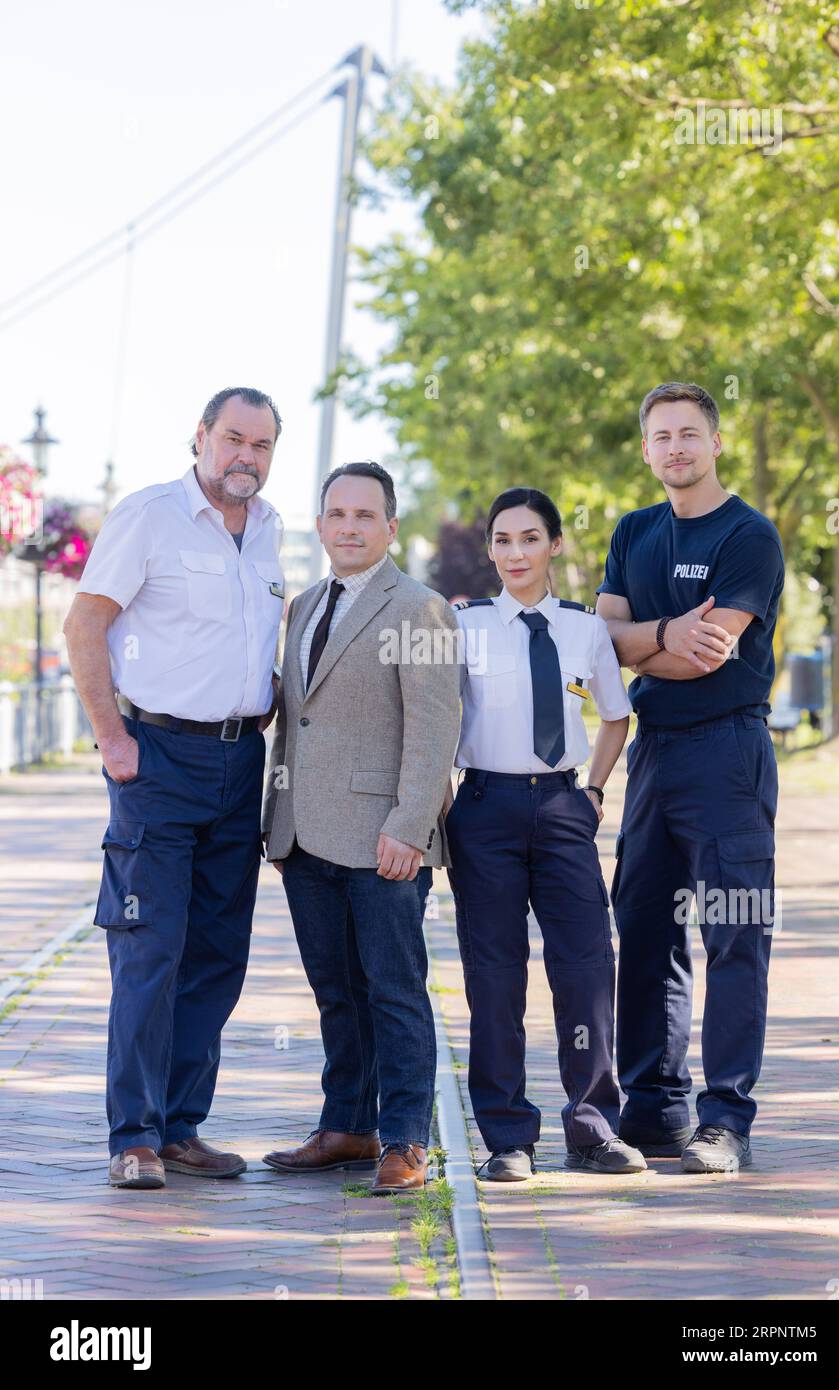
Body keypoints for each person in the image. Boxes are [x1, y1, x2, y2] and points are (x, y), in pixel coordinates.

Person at [63, 386, 285, 1190]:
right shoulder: (149, 514)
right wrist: (112, 738)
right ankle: (134, 1137)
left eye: (261, 446)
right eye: (233, 439)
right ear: (200, 438)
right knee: (149, 954)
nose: (245, 458)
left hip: (239, 765)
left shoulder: (269, 531)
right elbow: (84, 623)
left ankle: (183, 1126)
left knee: (218, 957)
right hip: (156, 757)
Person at [596, 381, 785, 1173]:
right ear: (645, 450)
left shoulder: (750, 535)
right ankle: (653, 1109)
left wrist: (643, 641)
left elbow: (708, 649)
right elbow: (596, 644)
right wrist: (660, 634)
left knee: (732, 933)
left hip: (726, 752)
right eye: (660, 436)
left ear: (713, 442)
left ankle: (725, 1121)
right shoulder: (633, 531)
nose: (674, 447)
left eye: (687, 434)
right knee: (642, 929)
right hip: (653, 753)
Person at [261, 461, 460, 1195]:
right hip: (302, 835)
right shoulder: (305, 604)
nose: (348, 527)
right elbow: (298, 718)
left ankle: (406, 1138)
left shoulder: (422, 608)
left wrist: (409, 825)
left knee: (395, 989)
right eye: (336, 515)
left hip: (384, 836)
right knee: (335, 991)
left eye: (363, 516)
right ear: (320, 526)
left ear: (389, 527)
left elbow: (436, 728)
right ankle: (348, 1124)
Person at [446, 487, 644, 1181]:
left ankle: (592, 1128)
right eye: (502, 540)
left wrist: (591, 790)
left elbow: (615, 714)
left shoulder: (581, 627)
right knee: (494, 977)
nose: (514, 553)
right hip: (483, 811)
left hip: (562, 810)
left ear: (554, 544)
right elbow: (438, 721)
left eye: (529, 538)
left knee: (586, 967)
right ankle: (507, 1138)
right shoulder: (460, 623)